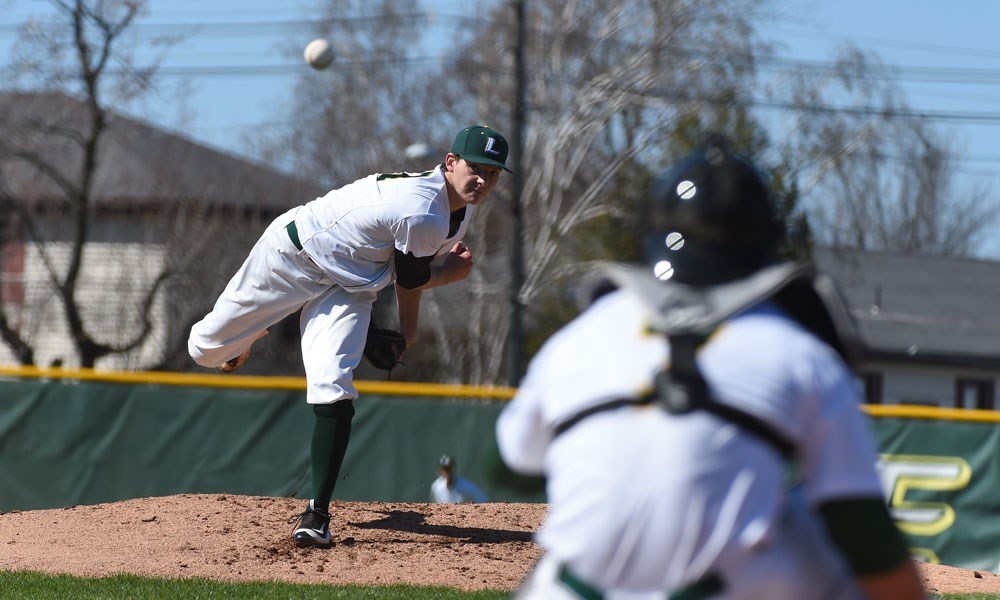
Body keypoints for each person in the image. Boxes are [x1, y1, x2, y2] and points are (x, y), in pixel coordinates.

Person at [495, 136, 927, 599]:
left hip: (575, 590)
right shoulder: (799, 351)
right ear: (767, 241)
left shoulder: (583, 334)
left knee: (557, 559)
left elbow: (508, 466)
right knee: (809, 513)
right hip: (726, 589)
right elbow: (864, 530)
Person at [188, 125, 510, 548]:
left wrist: (405, 336)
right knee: (204, 351)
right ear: (450, 163)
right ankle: (256, 330)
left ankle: (316, 516)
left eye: (493, 173)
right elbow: (414, 278)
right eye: (476, 168)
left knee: (333, 385)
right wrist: (448, 276)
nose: (483, 181)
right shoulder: (423, 210)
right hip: (293, 257)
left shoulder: (457, 210)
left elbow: (407, 275)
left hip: (351, 285)